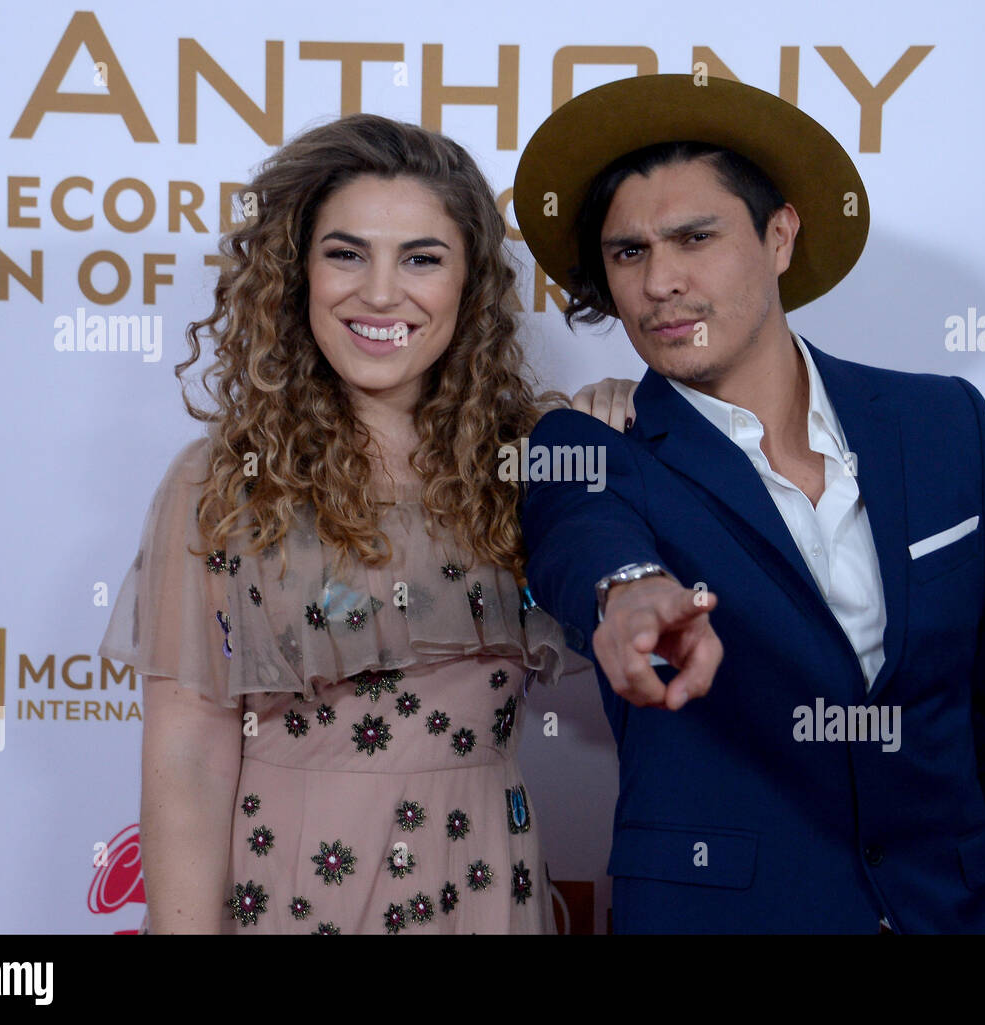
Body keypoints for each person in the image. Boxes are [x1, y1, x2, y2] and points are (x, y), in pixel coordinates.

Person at [514, 75, 985, 933]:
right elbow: (585, 542)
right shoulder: (592, 449)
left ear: (780, 235)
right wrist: (634, 591)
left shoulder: (942, 422)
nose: (660, 282)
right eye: (629, 253)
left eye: (694, 237)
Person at [98, 113, 623, 934]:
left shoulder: (531, 463)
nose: (380, 292)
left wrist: (612, 413)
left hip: (483, 883)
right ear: (296, 273)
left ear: (470, 284)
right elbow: (187, 757)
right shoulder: (225, 481)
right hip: (296, 888)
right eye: (346, 253)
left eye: (422, 257)